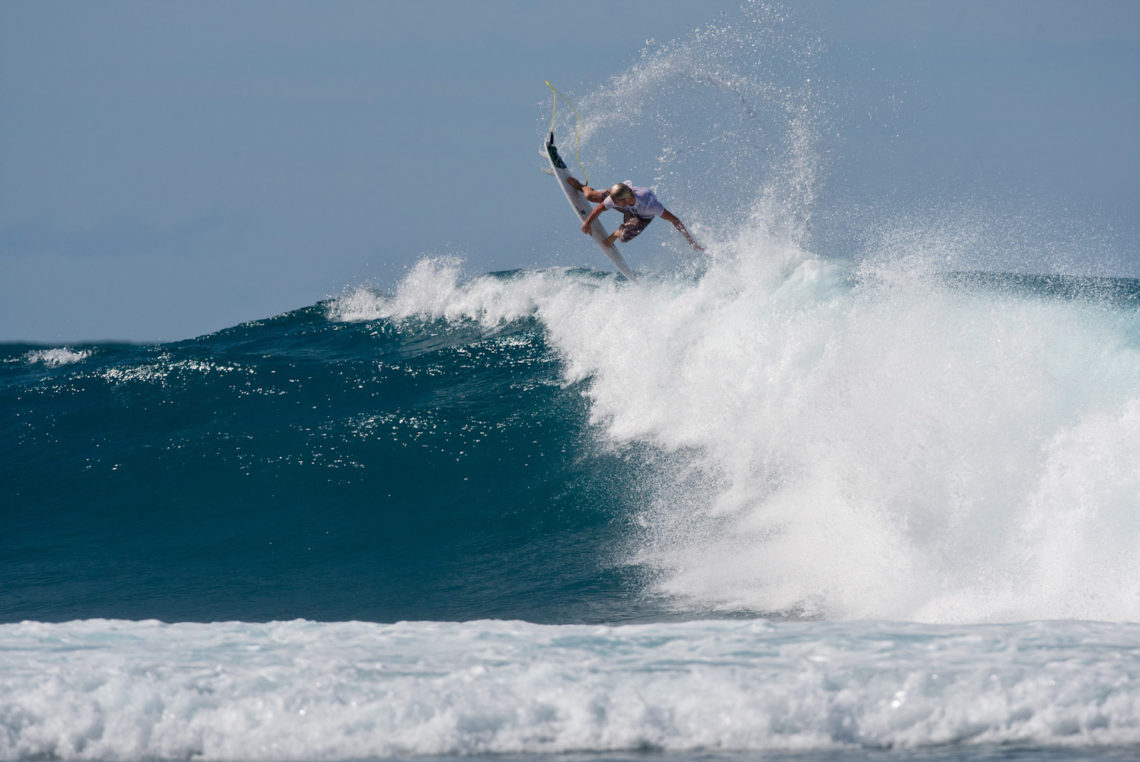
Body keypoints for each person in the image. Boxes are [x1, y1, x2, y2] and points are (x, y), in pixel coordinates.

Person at [566, 177, 703, 252]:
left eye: (615, 202)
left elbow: (675, 220)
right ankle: (581, 186)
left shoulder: (650, 205)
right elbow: (599, 208)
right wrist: (587, 223)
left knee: (624, 236)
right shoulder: (617, 197)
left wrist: (691, 242)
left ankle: (617, 233)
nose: (612, 203)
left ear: (625, 200)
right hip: (622, 198)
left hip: (641, 217)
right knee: (589, 196)